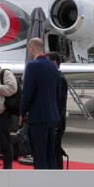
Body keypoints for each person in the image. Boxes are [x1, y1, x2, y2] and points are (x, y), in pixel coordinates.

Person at [20, 38, 60, 169]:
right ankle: (52, 178)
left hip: (38, 116)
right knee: (50, 151)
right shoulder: (53, 66)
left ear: (32, 48)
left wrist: (22, 112)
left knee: (39, 152)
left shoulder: (32, 65)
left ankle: (41, 181)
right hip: (52, 115)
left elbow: (28, 92)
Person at [47, 52, 69, 169]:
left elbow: (57, 101)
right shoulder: (56, 78)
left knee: (55, 149)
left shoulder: (59, 79)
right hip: (56, 119)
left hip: (57, 121)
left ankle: (58, 171)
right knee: (53, 148)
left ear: (54, 63)